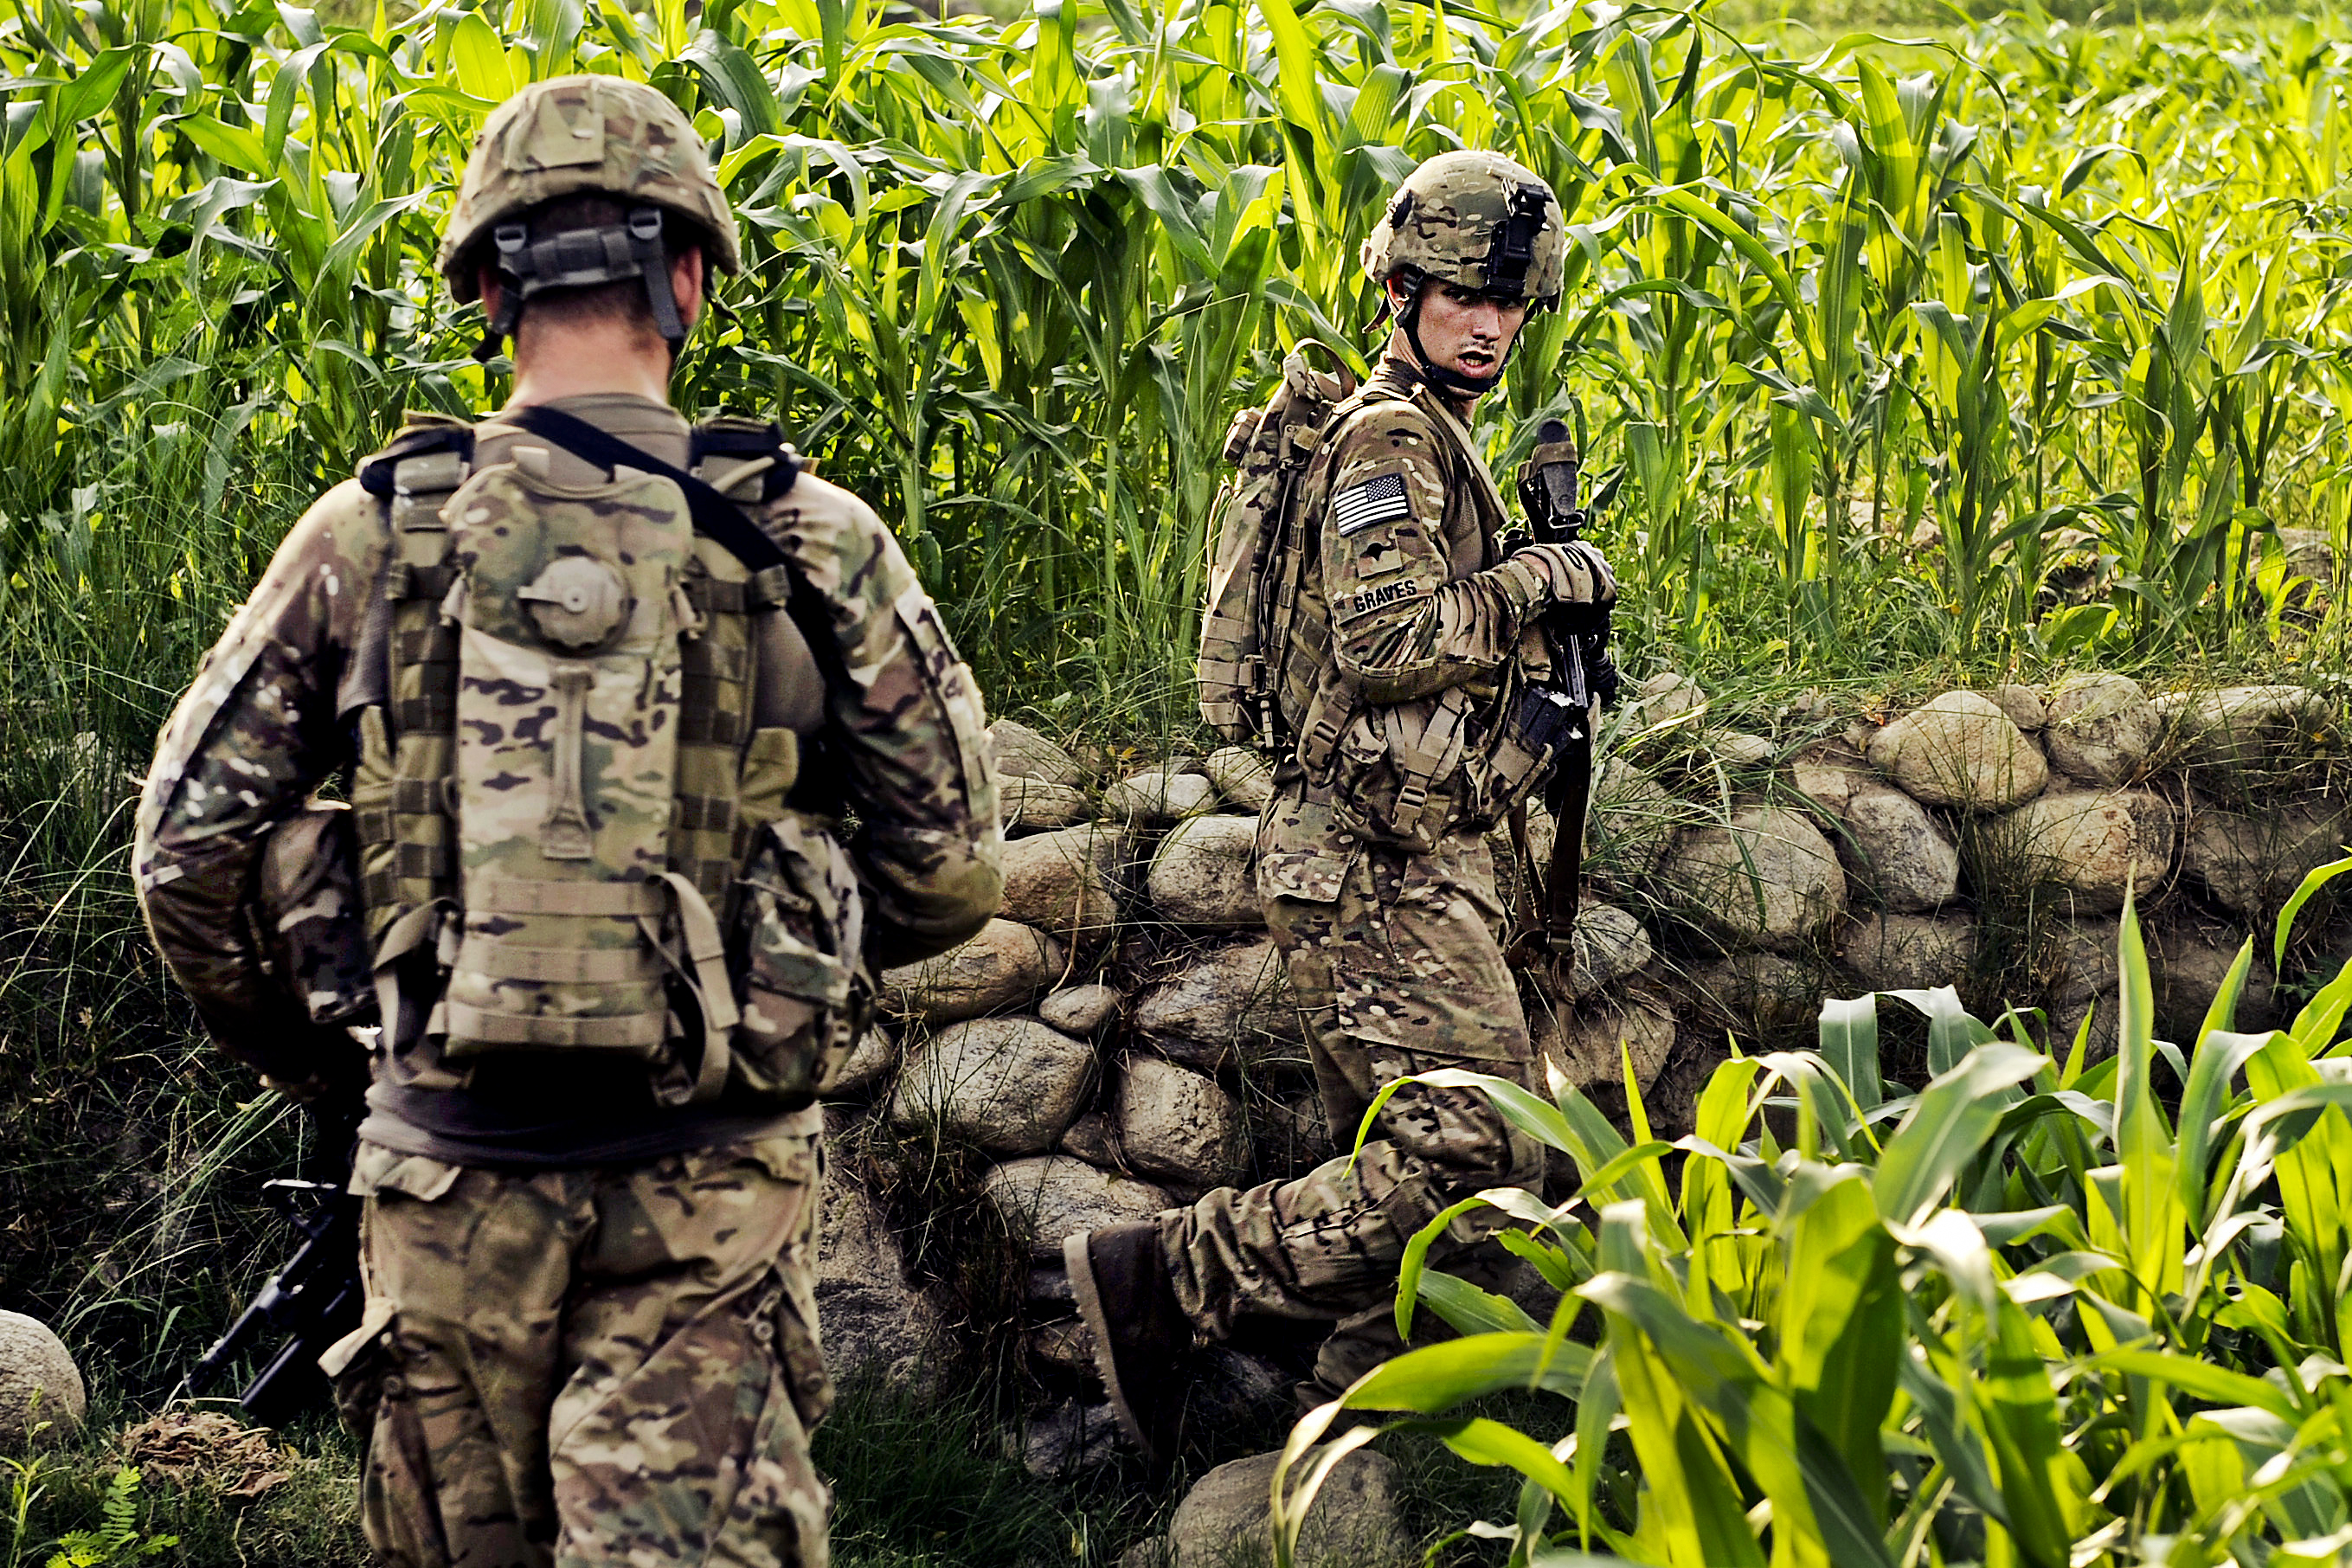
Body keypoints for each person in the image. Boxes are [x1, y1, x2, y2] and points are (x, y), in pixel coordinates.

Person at [133, 75, 1000, 1568]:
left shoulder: (369, 533)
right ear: (689, 275)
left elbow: (184, 856)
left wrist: (350, 1060)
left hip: (445, 1165)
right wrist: (775, 942)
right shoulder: (806, 530)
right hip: (711, 1178)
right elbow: (953, 868)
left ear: (482, 286)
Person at [1065, 150, 1614, 1460]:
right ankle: (1165, 1279)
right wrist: (1544, 580)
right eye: (1455, 297)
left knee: (1417, 1163)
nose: (1484, 325)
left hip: (1404, 850)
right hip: (1368, 864)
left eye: (1506, 304)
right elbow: (1388, 640)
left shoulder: (1437, 437)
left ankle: (1363, 1433)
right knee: (1473, 1154)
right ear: (1397, 288)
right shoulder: (1385, 437)